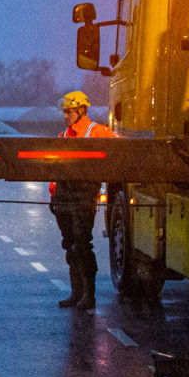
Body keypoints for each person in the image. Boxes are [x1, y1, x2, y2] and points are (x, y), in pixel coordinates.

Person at [51, 90, 116, 309]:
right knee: (70, 245)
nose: (65, 116)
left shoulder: (97, 132)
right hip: (63, 199)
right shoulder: (63, 136)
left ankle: (89, 295)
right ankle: (76, 293)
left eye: (68, 112)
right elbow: (54, 169)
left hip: (83, 197)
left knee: (82, 245)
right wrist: (54, 194)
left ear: (81, 110)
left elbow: (124, 153)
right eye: (64, 112)